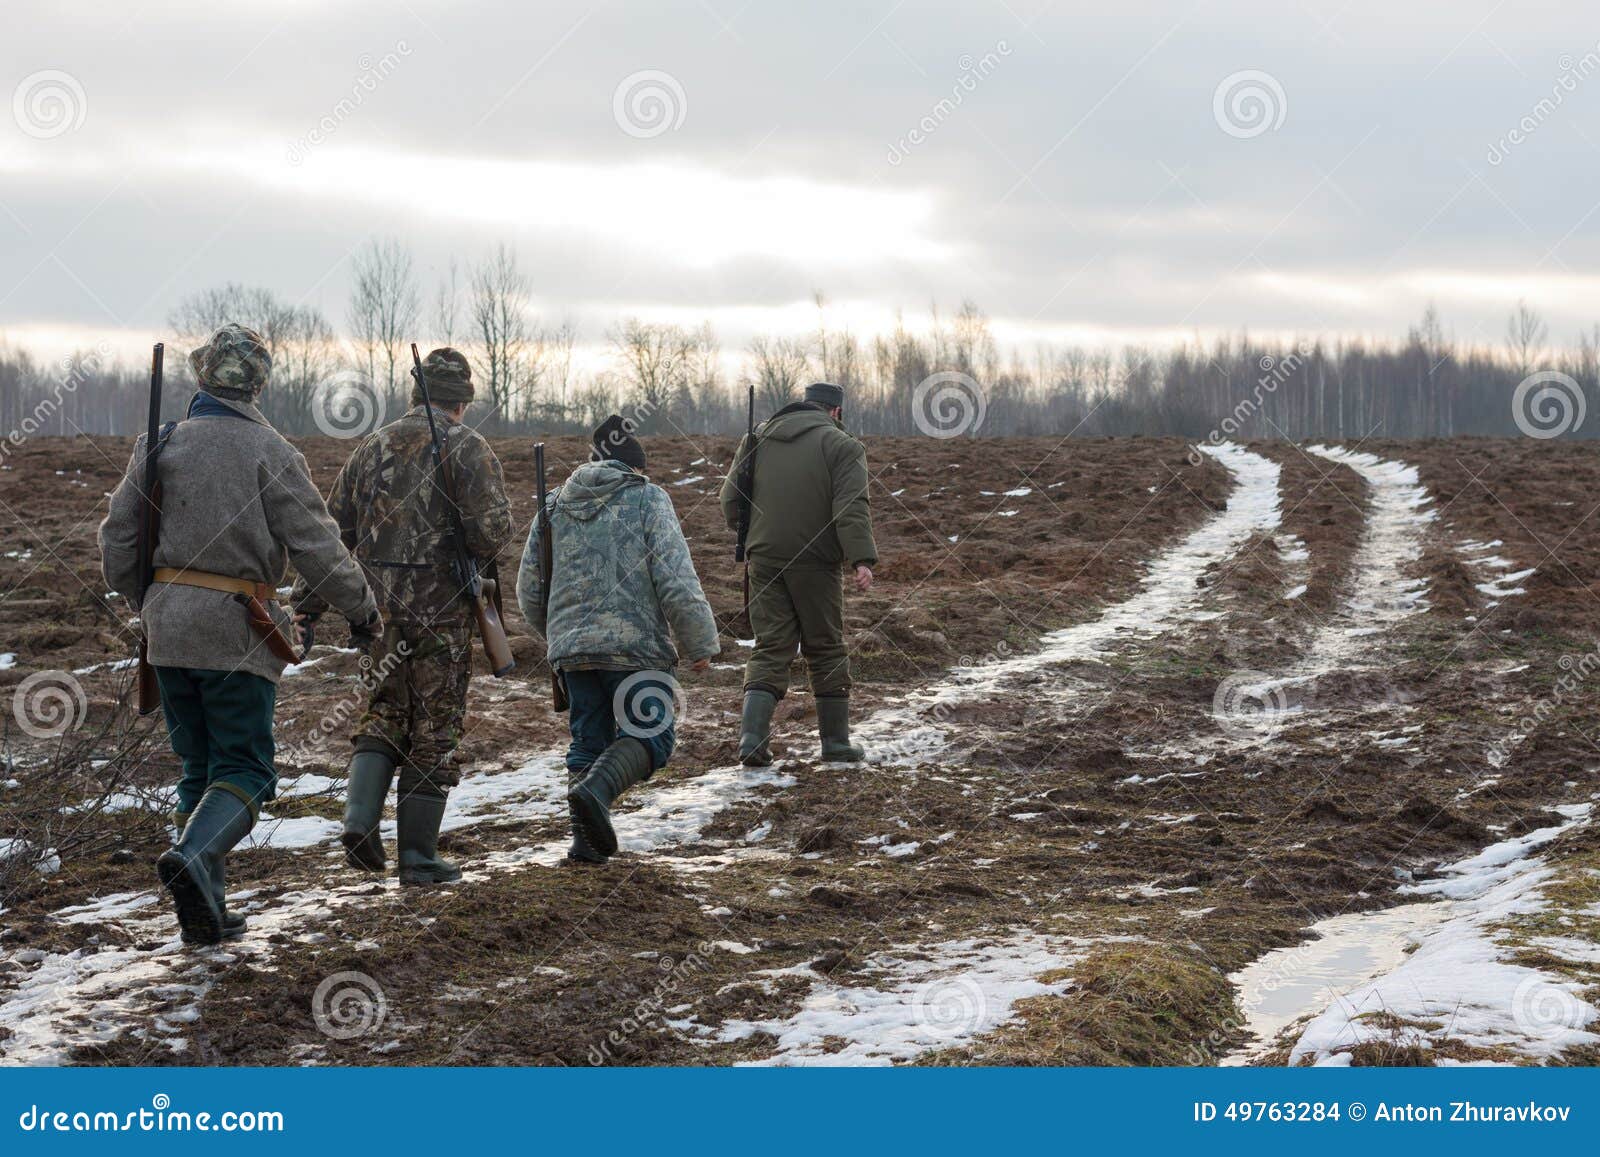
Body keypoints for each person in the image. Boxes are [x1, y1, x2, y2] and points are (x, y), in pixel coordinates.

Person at [99, 323, 379, 945]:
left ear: (202, 376)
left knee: (199, 770)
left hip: (165, 631)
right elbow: (318, 545)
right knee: (248, 770)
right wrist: (362, 608)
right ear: (257, 383)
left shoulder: (159, 441)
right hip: (235, 629)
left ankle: (205, 911)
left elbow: (118, 539)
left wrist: (149, 600)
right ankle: (195, 862)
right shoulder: (271, 450)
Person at [293, 348, 512, 886]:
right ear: (463, 400)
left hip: (375, 612)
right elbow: (493, 535)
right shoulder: (471, 448)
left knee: (384, 712)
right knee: (434, 727)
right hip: (442, 613)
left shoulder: (370, 447)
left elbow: (331, 536)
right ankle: (418, 857)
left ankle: (360, 823)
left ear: (416, 394)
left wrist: (307, 608)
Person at [517, 415, 720, 863]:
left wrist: (559, 638)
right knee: (652, 737)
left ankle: (585, 844)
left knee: (588, 743)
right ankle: (596, 791)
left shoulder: (551, 506)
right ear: (634, 468)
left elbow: (529, 590)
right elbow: (676, 579)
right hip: (637, 651)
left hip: (573, 655)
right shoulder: (649, 499)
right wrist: (700, 644)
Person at [719, 381, 878, 766]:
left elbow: (729, 501)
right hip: (816, 563)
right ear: (836, 412)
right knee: (825, 647)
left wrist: (753, 534)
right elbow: (851, 506)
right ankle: (836, 744)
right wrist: (861, 559)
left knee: (771, 646)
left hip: (764, 558)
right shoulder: (843, 446)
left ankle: (752, 742)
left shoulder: (756, 439)